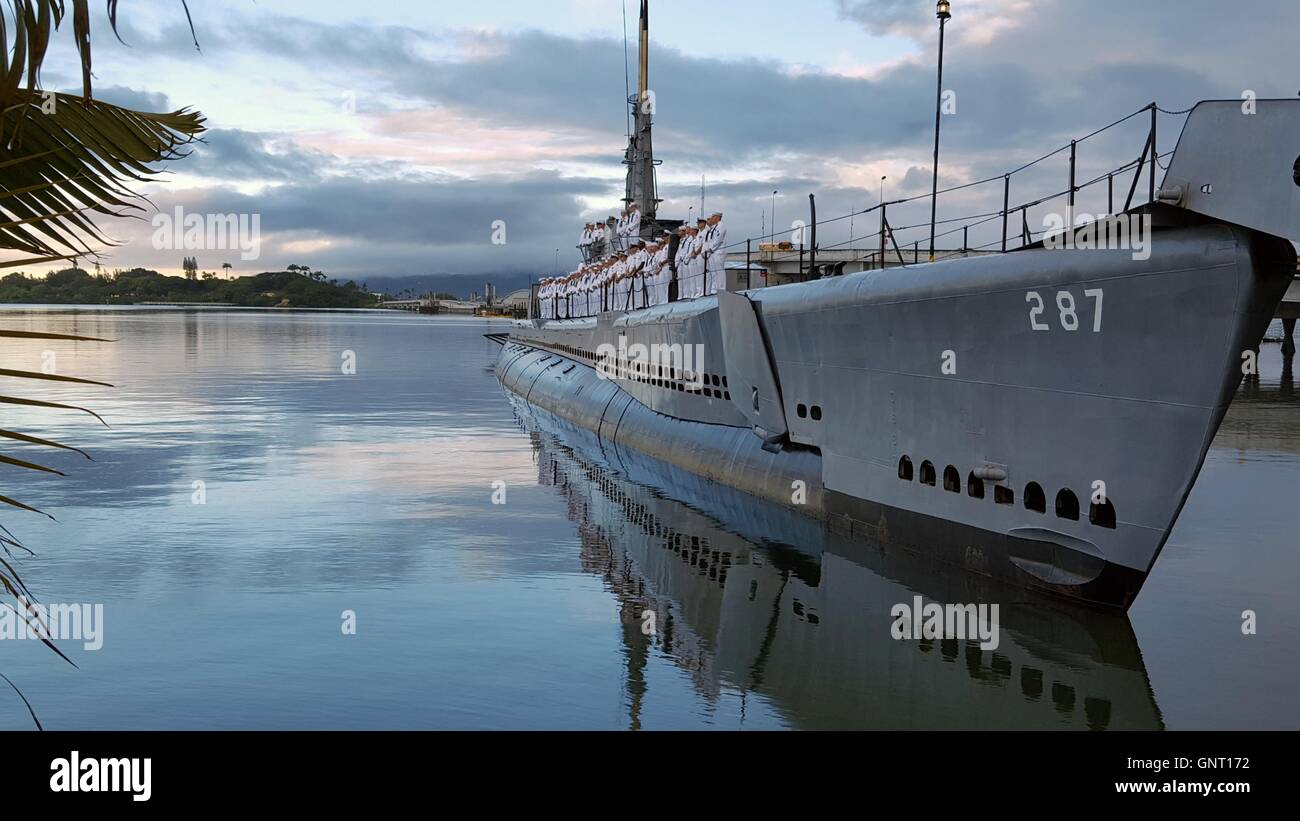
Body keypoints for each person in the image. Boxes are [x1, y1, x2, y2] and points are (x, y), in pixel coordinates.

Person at [703, 212, 726, 295]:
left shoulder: (721, 226)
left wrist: (710, 249)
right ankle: (715, 289)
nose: (711, 219)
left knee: (719, 271)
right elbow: (710, 241)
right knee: (713, 271)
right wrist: (708, 250)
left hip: (718, 251)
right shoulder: (714, 227)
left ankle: (721, 289)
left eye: (713, 217)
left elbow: (718, 240)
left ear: (717, 217)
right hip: (712, 252)